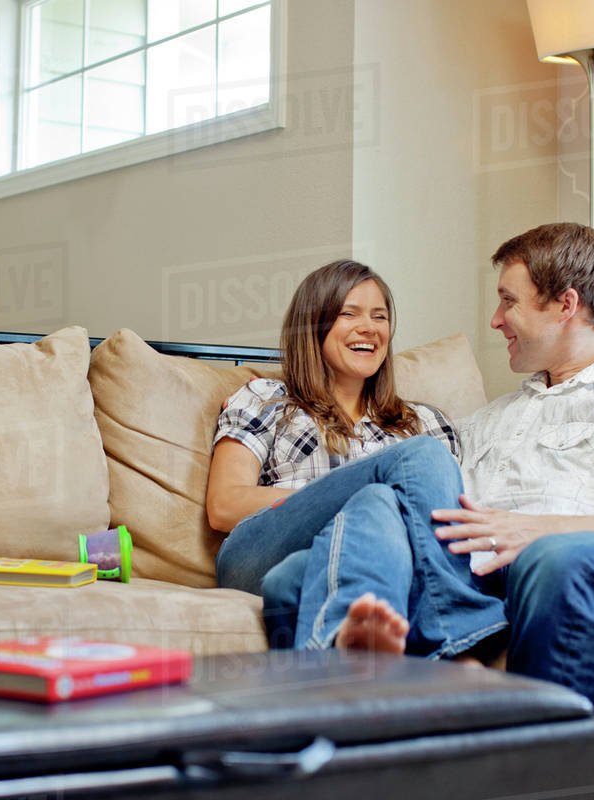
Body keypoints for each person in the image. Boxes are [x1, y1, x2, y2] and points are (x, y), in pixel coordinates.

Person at [262, 222, 594, 715]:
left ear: (566, 306)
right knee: (299, 574)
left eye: (508, 301)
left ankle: (534, 752)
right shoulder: (487, 420)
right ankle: (358, 742)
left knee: (557, 558)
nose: (496, 320)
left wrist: (536, 531)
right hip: (481, 580)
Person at [208, 260, 506, 658]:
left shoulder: (426, 422)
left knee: (308, 567)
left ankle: (345, 654)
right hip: (258, 552)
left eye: (379, 317)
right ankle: (459, 637)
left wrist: (372, 497)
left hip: (342, 562)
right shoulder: (265, 399)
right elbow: (224, 505)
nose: (369, 327)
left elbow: (443, 526)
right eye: (349, 313)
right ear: (314, 324)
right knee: (394, 479)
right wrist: (348, 488)